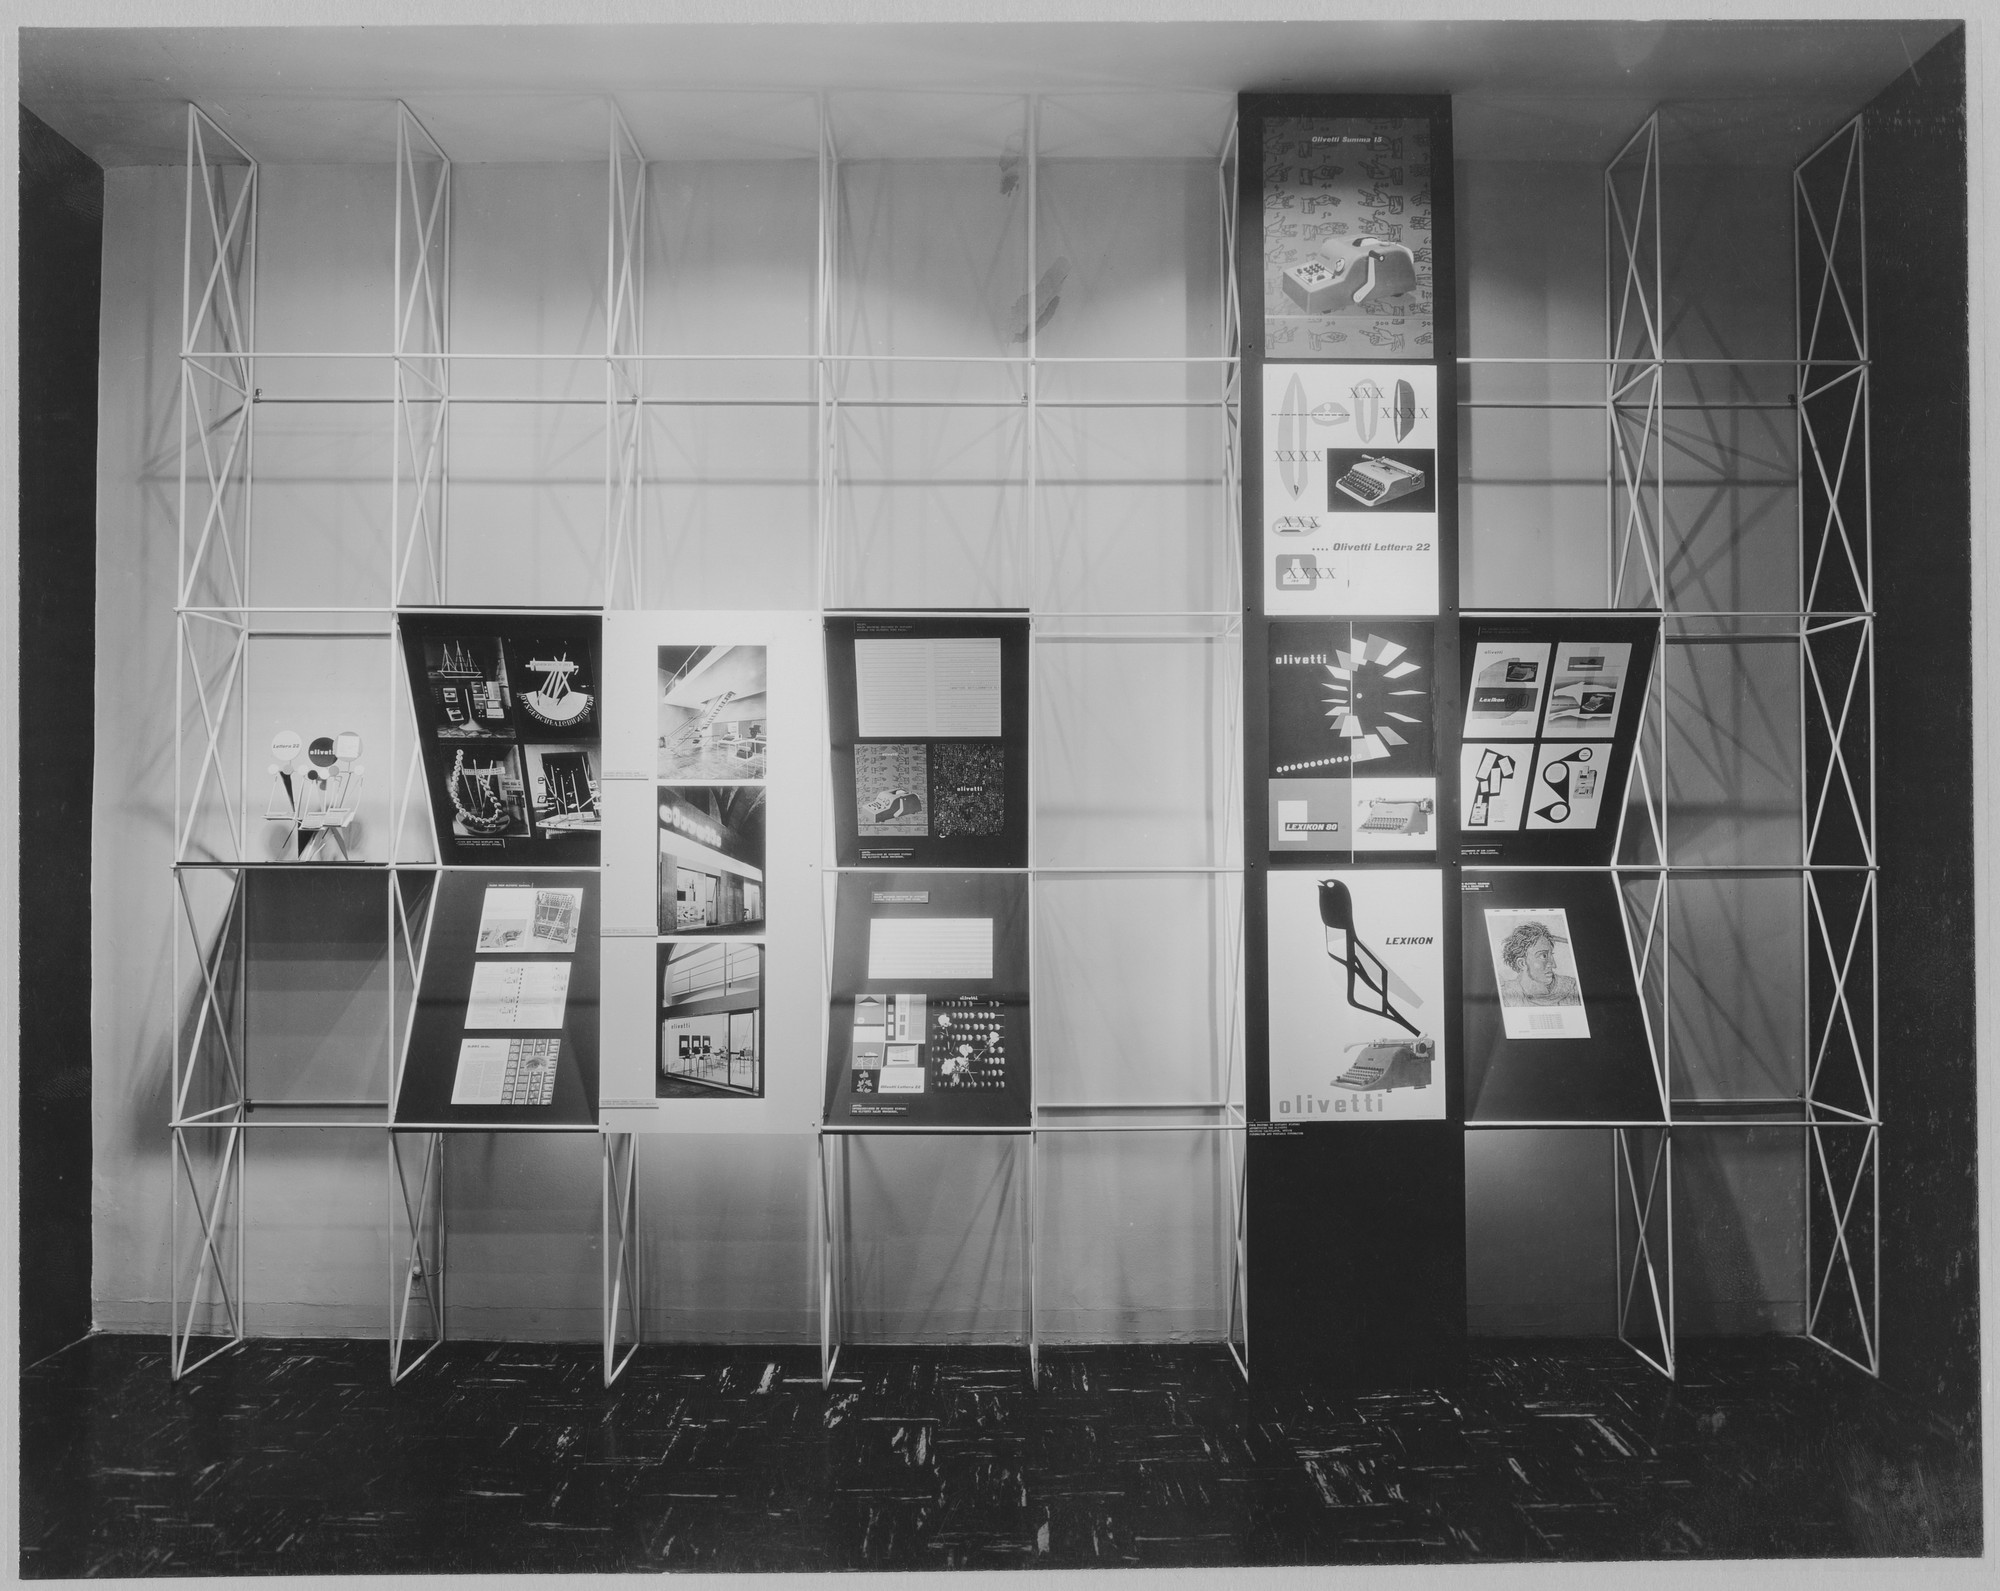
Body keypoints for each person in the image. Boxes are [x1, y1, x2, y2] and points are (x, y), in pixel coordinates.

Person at [1496, 919, 1581, 1007]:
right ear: (1522, 963)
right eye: (1543, 956)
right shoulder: (1507, 996)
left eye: (1550, 955)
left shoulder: (1572, 988)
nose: (1553, 965)